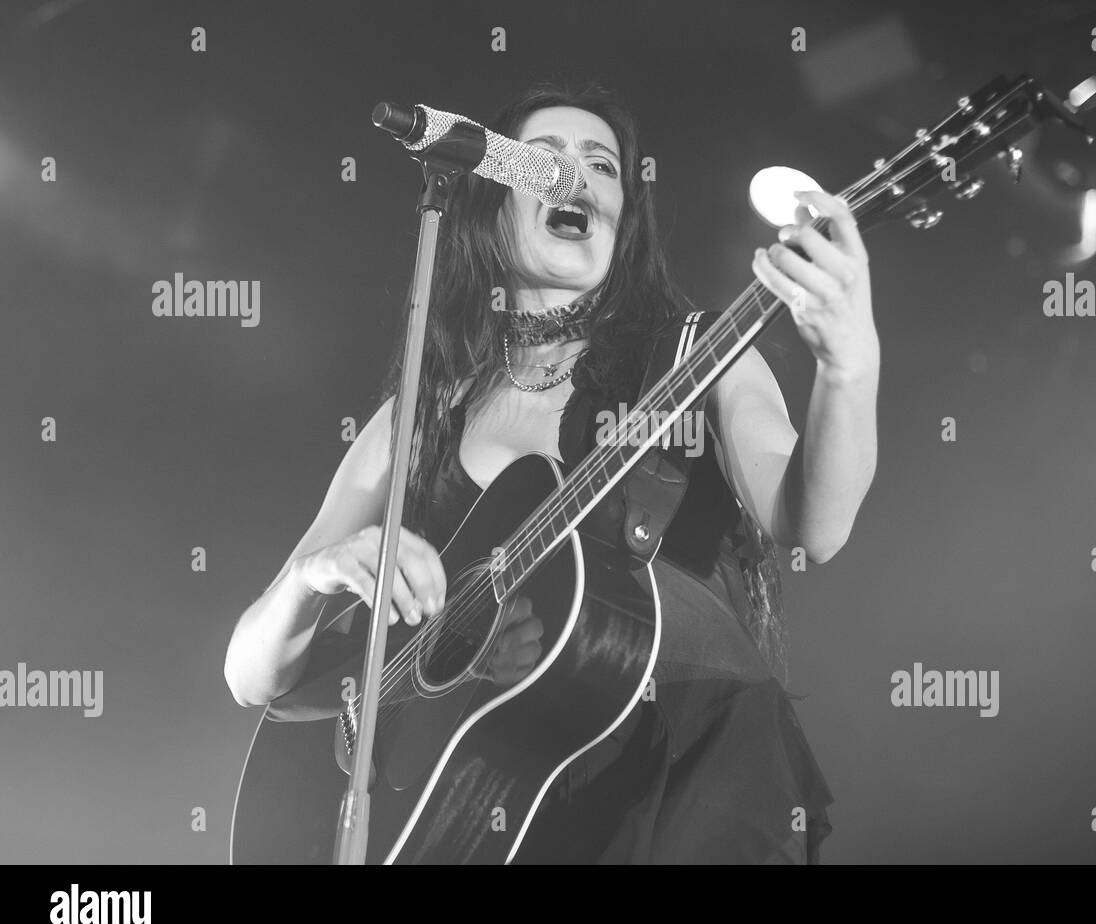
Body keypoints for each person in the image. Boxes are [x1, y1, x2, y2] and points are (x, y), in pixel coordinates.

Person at [224, 80, 880, 864]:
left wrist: (850, 366)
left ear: (621, 222)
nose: (577, 178)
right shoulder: (422, 414)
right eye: (544, 162)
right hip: (488, 810)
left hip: (683, 777)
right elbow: (250, 677)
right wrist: (315, 577)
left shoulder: (696, 357)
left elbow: (814, 524)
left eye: (603, 167)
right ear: (494, 205)